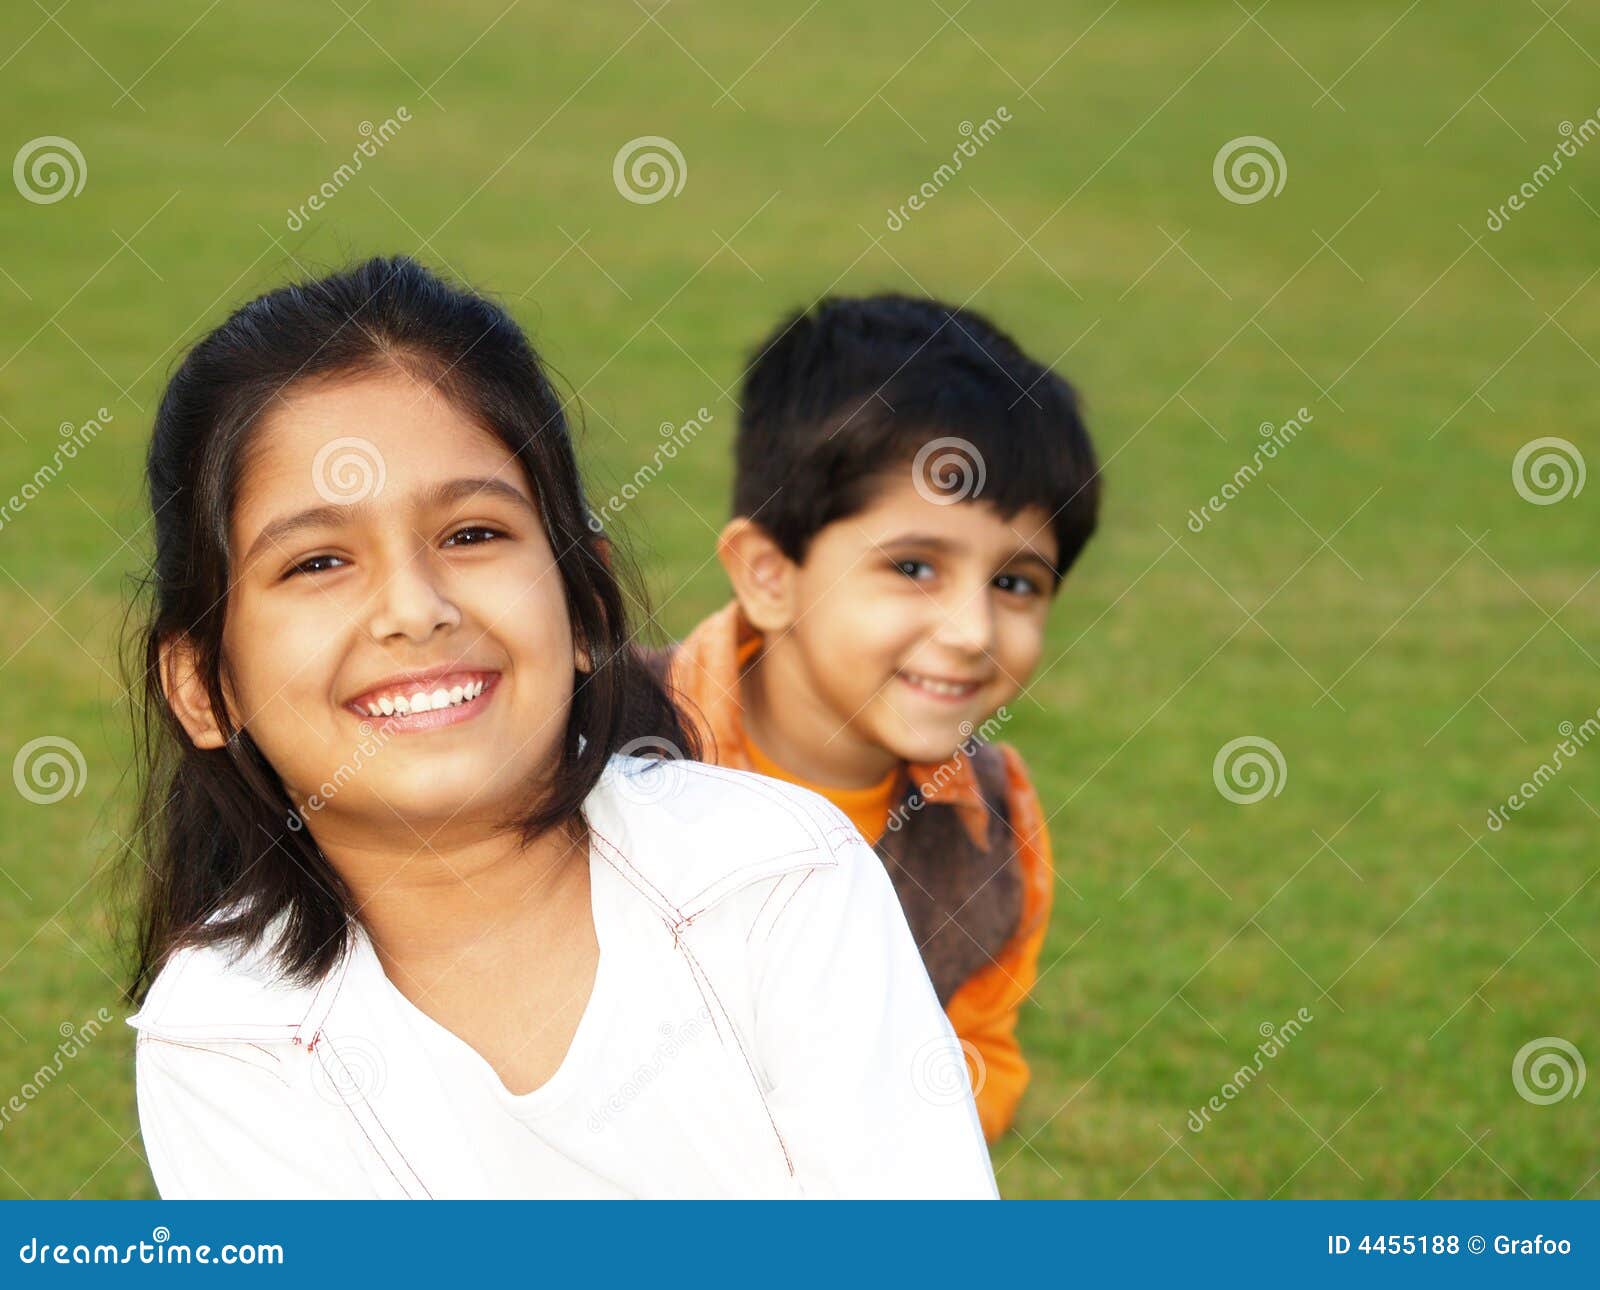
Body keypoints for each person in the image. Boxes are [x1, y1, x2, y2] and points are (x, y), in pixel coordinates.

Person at [120, 257, 997, 1199]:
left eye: (471, 535)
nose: (415, 610)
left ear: (582, 605)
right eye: (319, 561)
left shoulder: (778, 880)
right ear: (205, 686)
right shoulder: (224, 1034)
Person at [647, 294, 1100, 1141]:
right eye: (916, 566)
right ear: (770, 575)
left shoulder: (994, 830)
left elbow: (980, 1051)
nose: (969, 633)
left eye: (1015, 583)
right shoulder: (596, 747)